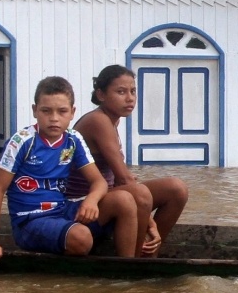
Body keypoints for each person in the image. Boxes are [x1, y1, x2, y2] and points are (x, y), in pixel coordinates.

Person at [0, 76, 138, 266]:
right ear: (35, 111)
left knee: (124, 200)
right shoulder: (21, 141)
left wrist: (91, 201)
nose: (54, 118)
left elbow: (99, 182)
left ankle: (128, 268)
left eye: (62, 111)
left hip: (62, 211)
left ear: (72, 113)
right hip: (30, 221)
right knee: (82, 238)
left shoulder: (73, 139)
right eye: (46, 111)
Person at [71, 65, 191, 256]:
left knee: (176, 188)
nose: (130, 98)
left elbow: (120, 180)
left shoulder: (113, 120)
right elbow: (124, 179)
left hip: (107, 195)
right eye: (121, 92)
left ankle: (150, 252)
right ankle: (136, 256)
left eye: (133, 91)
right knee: (139, 192)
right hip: (84, 203)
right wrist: (151, 224)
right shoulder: (98, 120)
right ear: (101, 95)